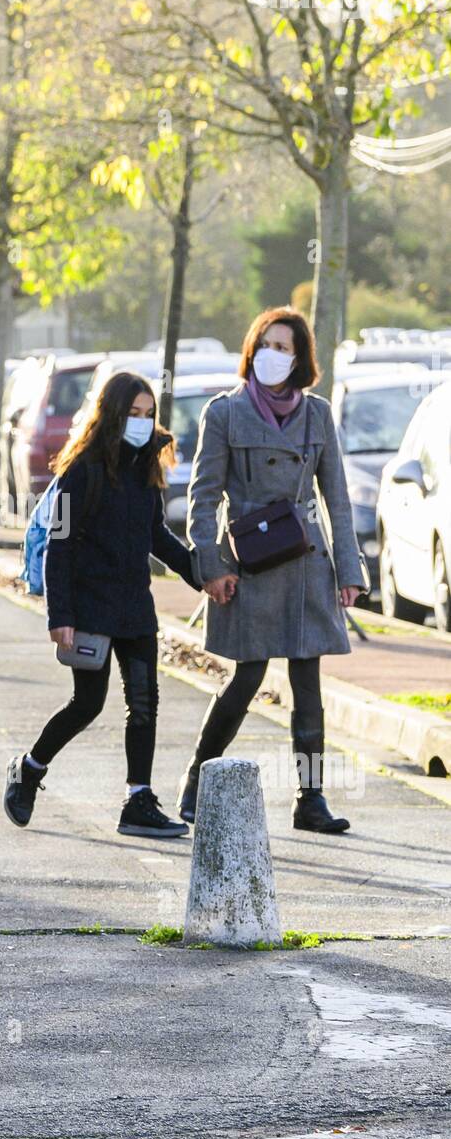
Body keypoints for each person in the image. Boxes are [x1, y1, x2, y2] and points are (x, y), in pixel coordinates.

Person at [180, 306, 367, 833]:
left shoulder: (317, 414)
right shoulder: (223, 413)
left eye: (285, 348)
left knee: (308, 683)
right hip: (249, 562)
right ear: (251, 349)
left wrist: (349, 571)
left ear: (300, 358)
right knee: (246, 679)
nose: (274, 355)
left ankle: (311, 799)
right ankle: (196, 780)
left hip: (306, 562)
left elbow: (338, 498)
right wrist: (210, 566)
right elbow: (202, 498)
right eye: (267, 343)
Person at [5, 371, 205, 839]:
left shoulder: (147, 469)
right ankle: (29, 769)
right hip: (90, 608)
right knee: (87, 704)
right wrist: (61, 616)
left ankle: (138, 799)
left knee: (144, 704)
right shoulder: (82, 470)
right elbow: (60, 544)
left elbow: (157, 535)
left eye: (149, 414)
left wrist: (200, 575)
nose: (142, 422)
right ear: (112, 414)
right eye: (133, 414)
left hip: (135, 606)